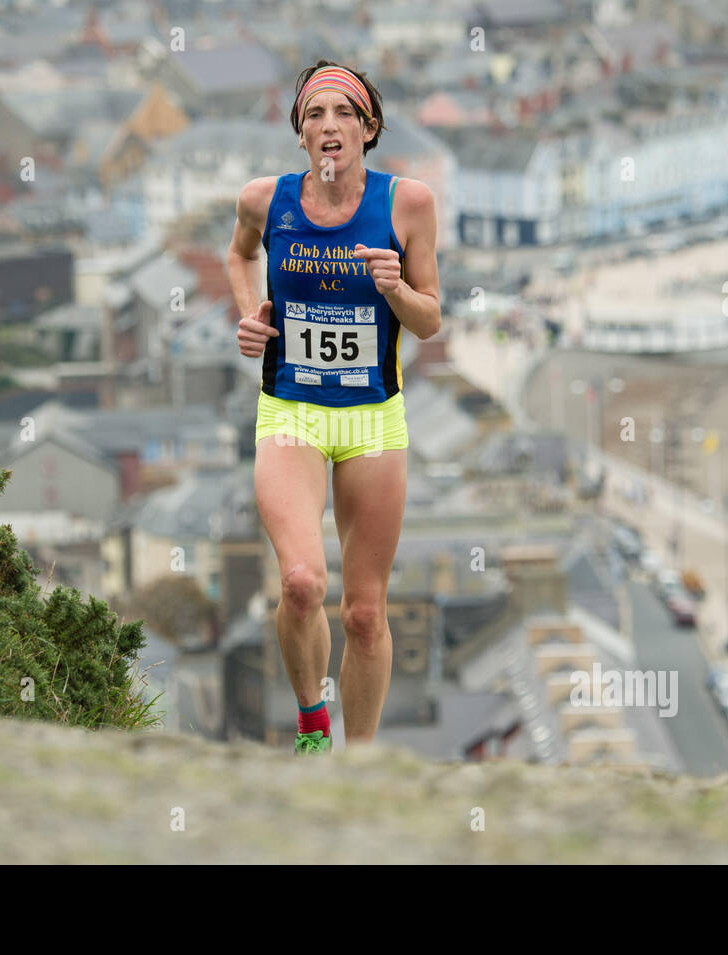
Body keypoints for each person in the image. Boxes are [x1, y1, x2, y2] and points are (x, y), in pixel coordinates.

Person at [226, 60, 440, 754]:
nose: (328, 126)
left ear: (368, 128)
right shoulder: (265, 200)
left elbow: (431, 319)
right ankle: (313, 717)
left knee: (365, 613)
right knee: (298, 582)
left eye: (343, 113)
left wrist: (395, 290)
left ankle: (362, 760)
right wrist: (248, 316)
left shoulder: (407, 205)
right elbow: (238, 257)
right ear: (299, 133)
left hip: (374, 419)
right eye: (313, 115)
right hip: (290, 409)